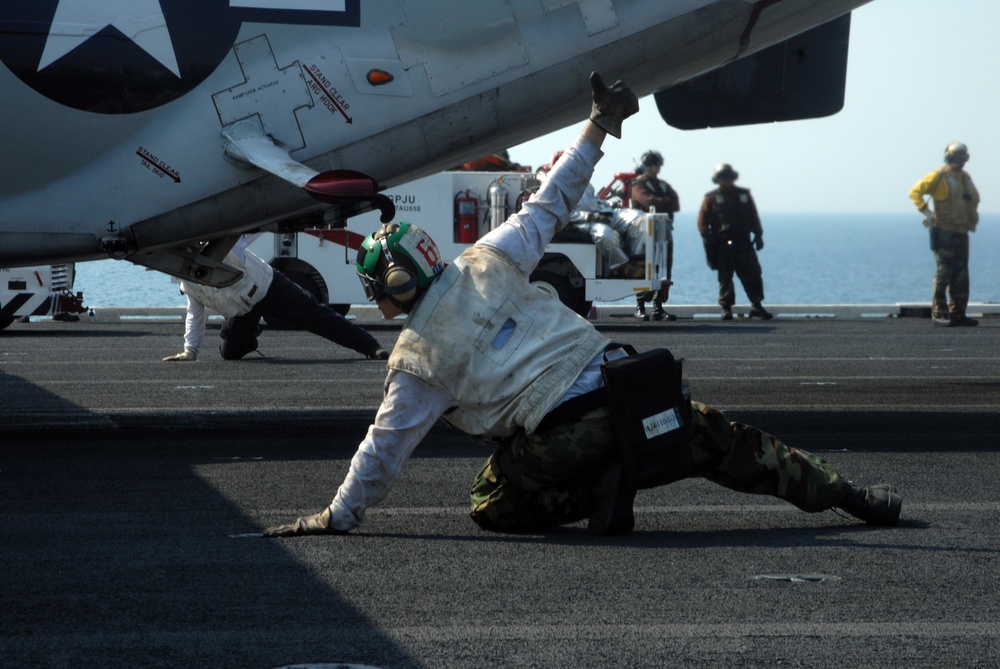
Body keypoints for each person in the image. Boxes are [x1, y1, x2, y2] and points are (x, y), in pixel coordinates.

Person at [264, 72, 901, 539]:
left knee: (490, 501)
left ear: (386, 292)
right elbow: (551, 201)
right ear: (430, 257)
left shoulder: (416, 362)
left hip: (565, 438)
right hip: (638, 390)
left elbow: (384, 449)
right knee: (738, 446)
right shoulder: (490, 256)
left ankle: (605, 481)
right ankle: (852, 497)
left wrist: (337, 515)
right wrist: (599, 124)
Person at [162, 234, 388, 361]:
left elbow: (250, 229)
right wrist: (189, 351)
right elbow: (194, 314)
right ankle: (252, 332)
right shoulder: (189, 283)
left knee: (315, 316)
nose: (188, 253)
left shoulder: (225, 245)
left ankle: (371, 346)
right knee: (229, 354)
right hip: (243, 312)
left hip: (270, 287)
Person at [908, 142, 981, 327]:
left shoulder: (965, 178)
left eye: (963, 157)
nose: (960, 161)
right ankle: (939, 313)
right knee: (944, 273)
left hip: (962, 232)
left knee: (961, 274)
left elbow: (974, 199)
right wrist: (926, 212)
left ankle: (958, 313)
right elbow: (915, 192)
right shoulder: (939, 177)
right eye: (957, 157)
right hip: (944, 232)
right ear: (949, 158)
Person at [697, 164, 773, 321]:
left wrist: (758, 234)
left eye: (729, 177)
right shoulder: (710, 198)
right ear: (718, 179)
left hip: (744, 243)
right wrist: (707, 235)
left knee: (753, 274)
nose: (726, 180)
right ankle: (726, 308)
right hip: (723, 245)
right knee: (725, 278)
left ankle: (756, 305)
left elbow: (753, 216)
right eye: (723, 177)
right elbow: (702, 220)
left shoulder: (744, 195)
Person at [629, 150, 679, 321]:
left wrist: (659, 201)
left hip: (664, 231)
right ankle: (640, 306)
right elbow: (647, 201)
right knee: (644, 268)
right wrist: (664, 201)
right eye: (655, 164)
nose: (658, 167)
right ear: (648, 166)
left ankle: (658, 307)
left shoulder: (662, 185)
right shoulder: (637, 185)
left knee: (664, 268)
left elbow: (676, 202)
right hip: (645, 232)